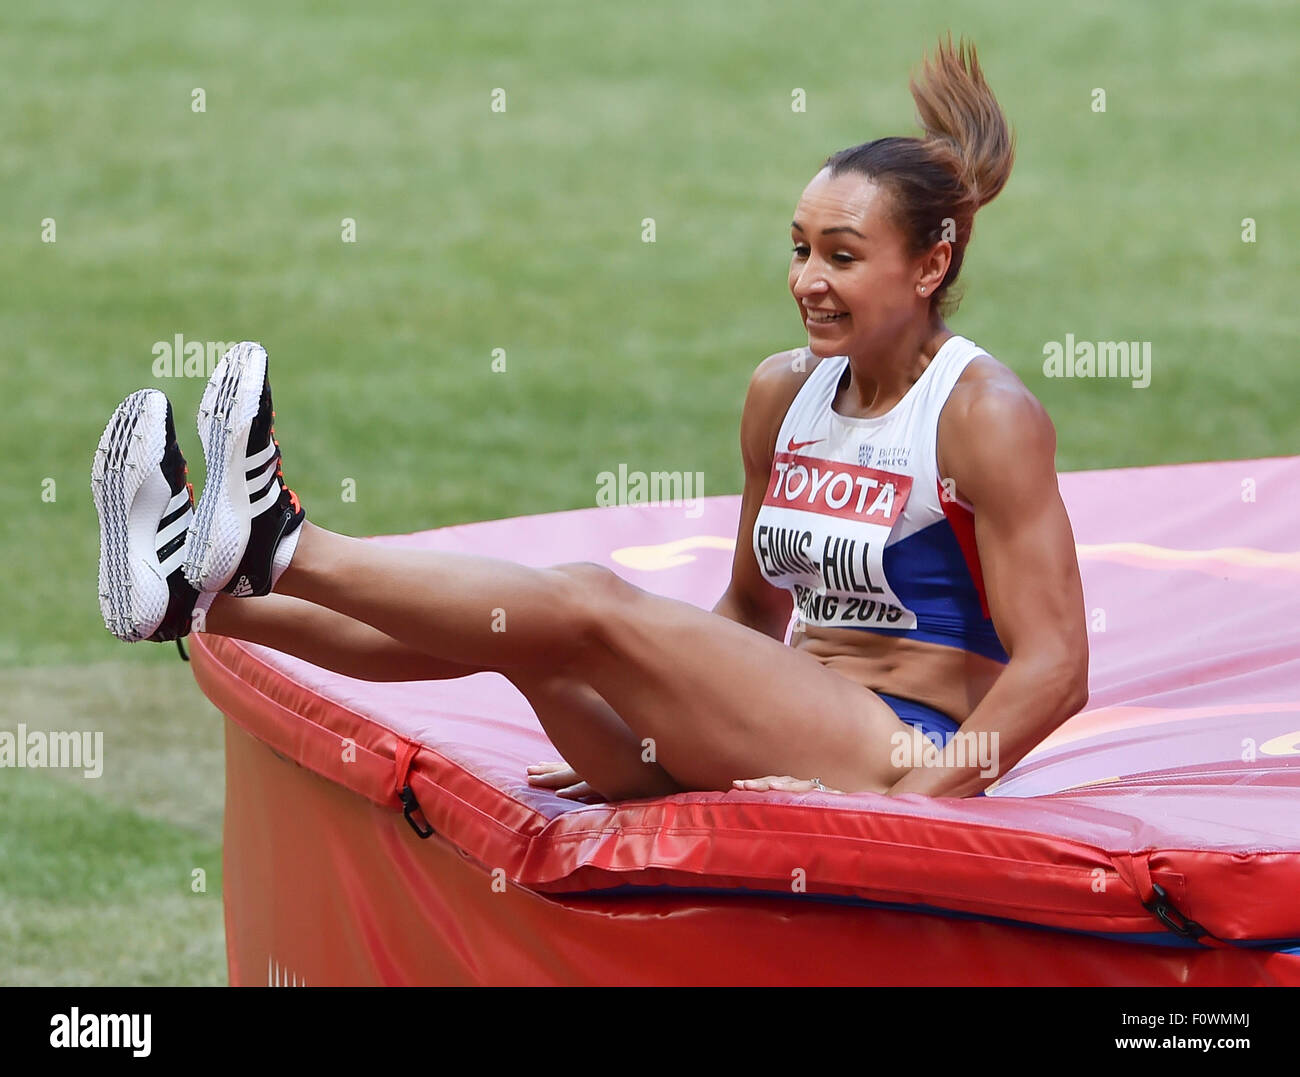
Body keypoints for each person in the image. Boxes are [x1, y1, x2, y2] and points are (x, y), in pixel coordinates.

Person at [92, 37, 1087, 801]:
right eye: (797, 250)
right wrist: (662, 711)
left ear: (929, 265)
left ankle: (284, 543)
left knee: (584, 599)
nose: (806, 282)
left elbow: (1055, 666)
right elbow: (749, 617)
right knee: (536, 636)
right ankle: (196, 597)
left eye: (839, 255)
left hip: (896, 747)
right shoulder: (783, 391)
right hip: (779, 730)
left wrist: (919, 803)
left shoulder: (981, 413)